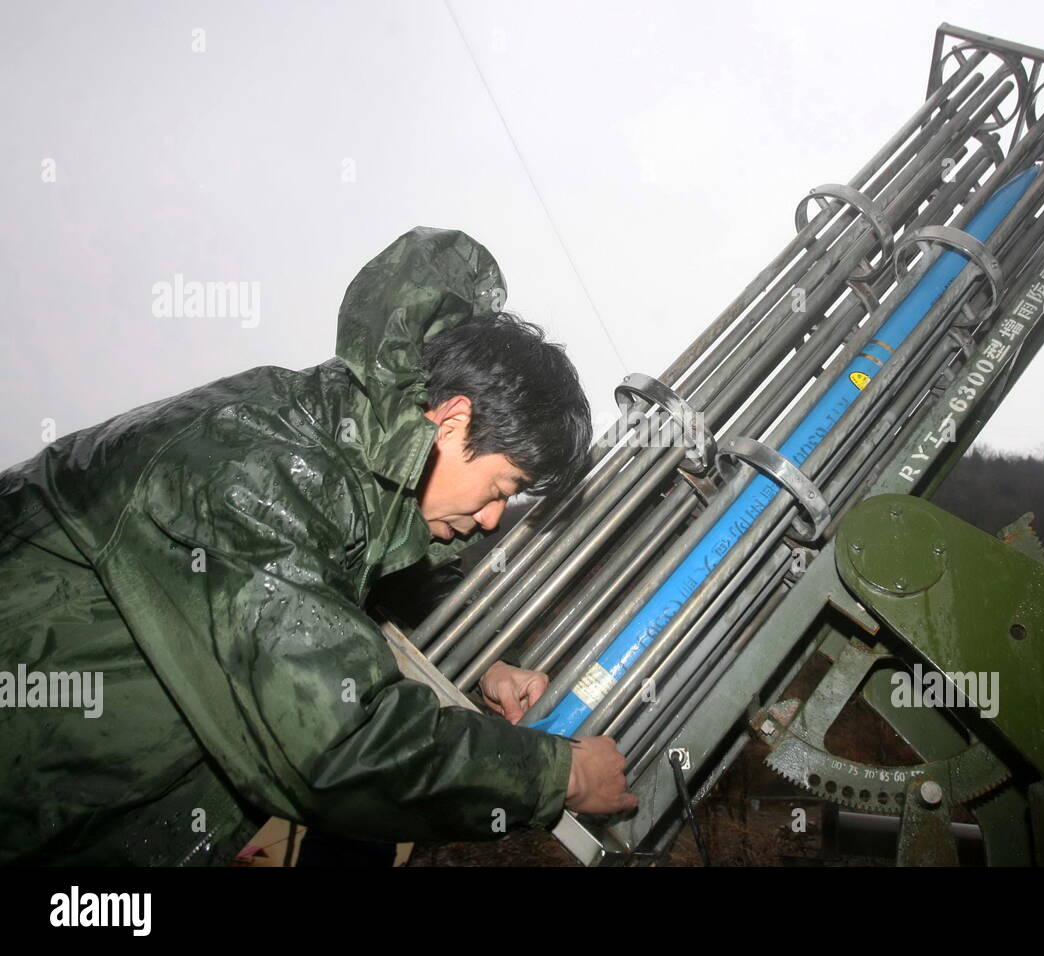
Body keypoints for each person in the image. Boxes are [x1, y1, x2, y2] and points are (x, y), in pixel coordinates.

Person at [0, 226, 635, 866]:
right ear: (452, 421)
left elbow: (354, 591)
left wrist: (485, 665)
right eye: (503, 485)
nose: (495, 517)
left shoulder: (334, 468)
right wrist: (565, 777)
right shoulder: (260, 470)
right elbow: (334, 745)